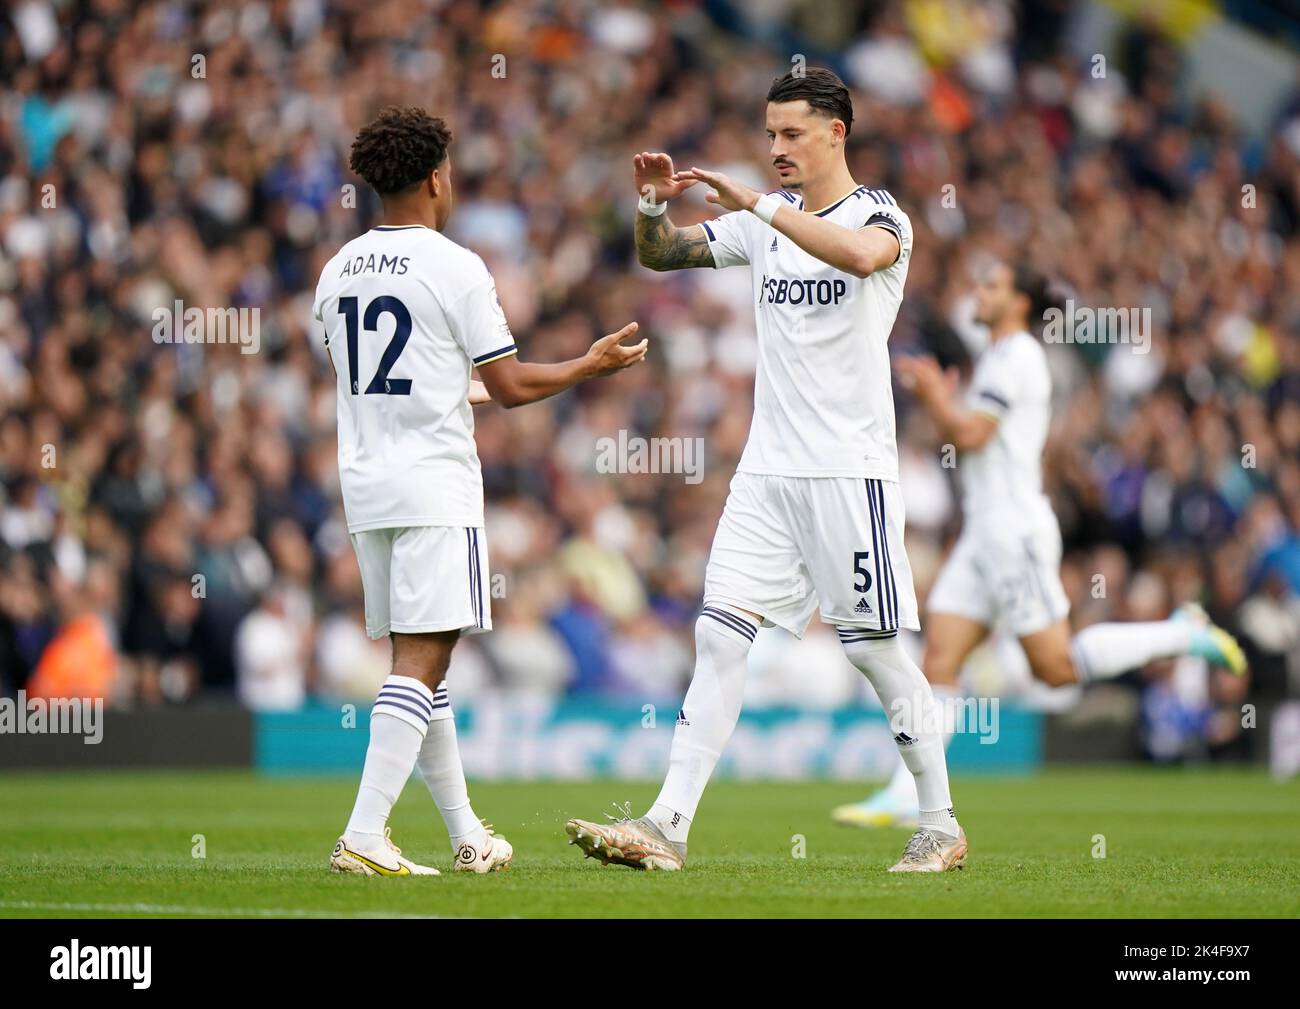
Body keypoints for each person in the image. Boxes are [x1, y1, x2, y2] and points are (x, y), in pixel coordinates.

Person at [565, 68, 965, 873]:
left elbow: (857, 256)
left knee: (875, 651)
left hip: (848, 474)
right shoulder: (764, 224)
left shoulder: (878, 214)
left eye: (792, 134)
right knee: (718, 633)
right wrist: (650, 206)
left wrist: (757, 204)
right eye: (770, 134)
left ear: (835, 134)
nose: (777, 148)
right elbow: (663, 255)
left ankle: (939, 822)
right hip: (766, 473)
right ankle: (666, 825)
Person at [315, 106, 647, 875]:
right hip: (434, 486)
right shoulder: (456, 265)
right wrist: (584, 367)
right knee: (423, 659)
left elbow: (400, 385)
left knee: (422, 661)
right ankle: (364, 834)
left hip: (368, 488)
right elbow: (510, 379)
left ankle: (468, 837)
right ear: (436, 178)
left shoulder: (336, 272)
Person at [833, 261, 1247, 829]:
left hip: (1014, 534)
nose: (977, 292)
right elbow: (973, 435)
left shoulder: (1020, 356)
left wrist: (934, 397)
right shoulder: (996, 360)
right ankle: (909, 792)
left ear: (1021, 303)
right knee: (942, 659)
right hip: (983, 533)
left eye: (991, 286)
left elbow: (972, 434)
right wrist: (947, 404)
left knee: (1056, 669)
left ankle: (1184, 632)